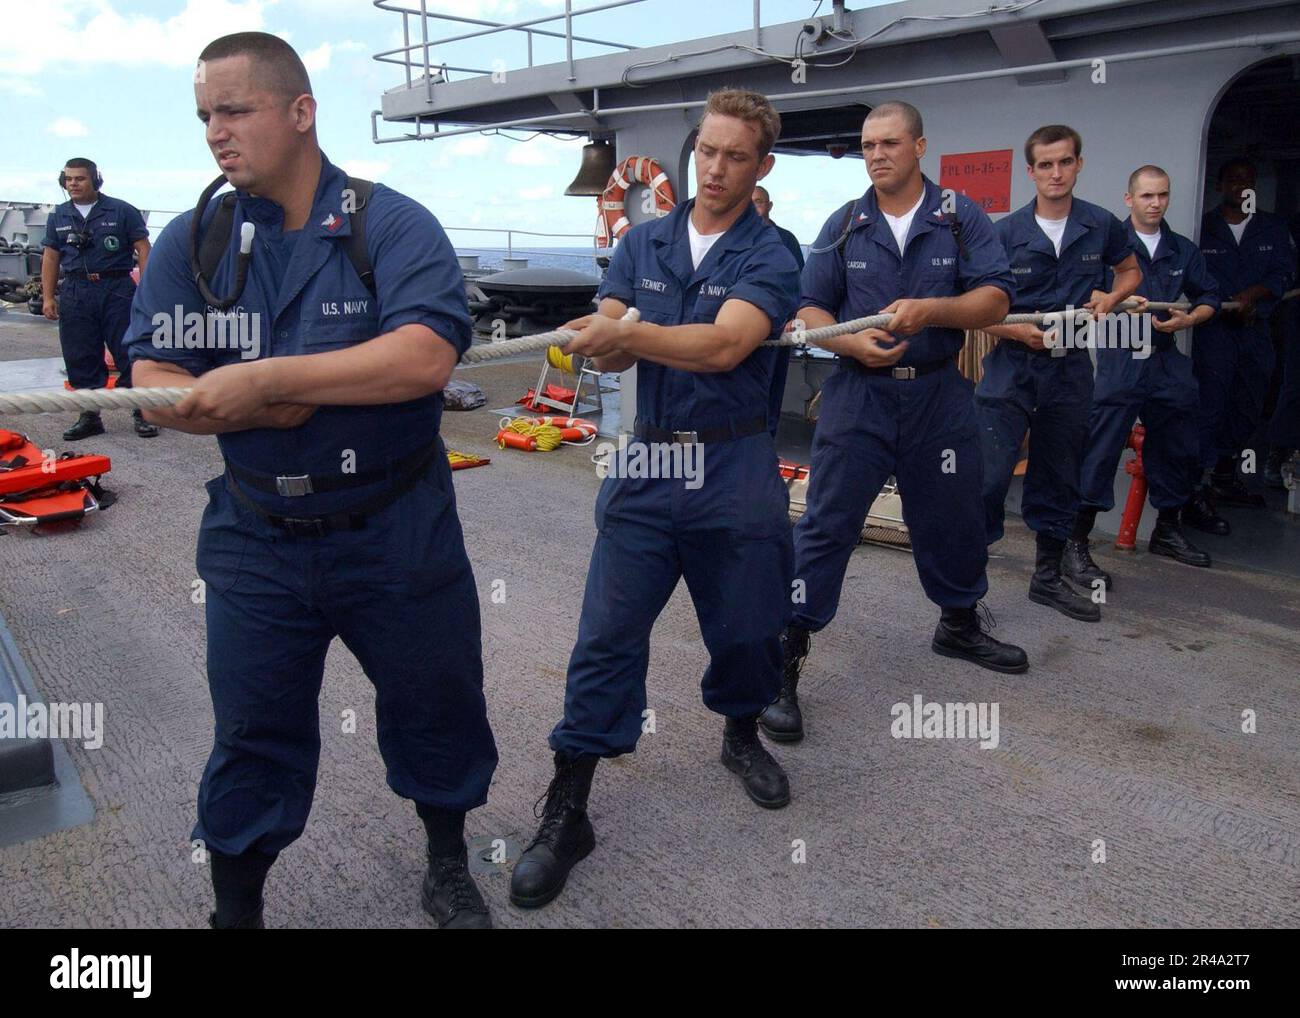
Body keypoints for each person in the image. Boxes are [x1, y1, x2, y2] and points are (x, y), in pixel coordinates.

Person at [124, 32, 497, 929]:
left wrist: (271, 380)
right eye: (205, 115)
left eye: (235, 110)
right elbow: (150, 377)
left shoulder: (389, 224)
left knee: (436, 703)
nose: (216, 132)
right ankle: (236, 909)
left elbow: (425, 355)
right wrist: (238, 407)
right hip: (257, 537)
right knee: (252, 730)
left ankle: (447, 861)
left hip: (395, 528)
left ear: (301, 112)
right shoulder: (194, 241)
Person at [509, 89, 801, 910]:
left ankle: (739, 733)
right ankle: (570, 805)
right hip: (650, 461)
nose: (716, 169)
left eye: (735, 156)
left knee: (748, 628)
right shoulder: (643, 242)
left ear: (761, 166)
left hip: (734, 463)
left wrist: (628, 334)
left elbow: (727, 344)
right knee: (605, 635)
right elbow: (612, 335)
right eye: (707, 151)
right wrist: (595, 343)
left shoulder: (772, 253)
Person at [759, 101, 1027, 744]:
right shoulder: (844, 223)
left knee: (954, 514)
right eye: (867, 145)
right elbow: (810, 307)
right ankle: (785, 657)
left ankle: (957, 623)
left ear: (920, 146)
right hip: (860, 395)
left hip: (939, 394)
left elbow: (995, 298)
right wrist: (847, 342)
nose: (877, 154)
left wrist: (932, 311)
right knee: (827, 523)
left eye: (890, 143)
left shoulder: (960, 217)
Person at [977, 124, 1142, 623]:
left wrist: (1112, 297)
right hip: (1010, 369)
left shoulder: (1101, 224)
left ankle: (1046, 579)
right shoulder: (1004, 233)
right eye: (1045, 164)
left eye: (1065, 162)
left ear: (1078, 164)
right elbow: (974, 309)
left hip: (1069, 370)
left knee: (1059, 474)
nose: (1056, 173)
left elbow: (1130, 270)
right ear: (1030, 171)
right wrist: (1016, 332)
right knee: (987, 477)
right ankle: (965, 591)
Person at [1064, 165, 1219, 587]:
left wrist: (1189, 319)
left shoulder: (1181, 249)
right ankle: (1075, 541)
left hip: (1165, 354)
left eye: (1162, 195)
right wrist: (1114, 298)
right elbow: (1080, 294)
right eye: (1147, 196)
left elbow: (1209, 296)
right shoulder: (1106, 246)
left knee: (1180, 441)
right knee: (1101, 447)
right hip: (1121, 348)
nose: (1155, 203)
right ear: (1129, 199)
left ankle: (1167, 529)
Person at [1191, 158, 1295, 513]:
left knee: (1248, 405)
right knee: (1210, 404)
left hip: (1255, 331)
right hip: (1214, 332)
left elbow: (1284, 272)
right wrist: (1223, 303)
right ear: (1219, 186)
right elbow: (1194, 277)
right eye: (1234, 179)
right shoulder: (1203, 228)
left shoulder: (1272, 227)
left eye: (1248, 180)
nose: (1241, 186)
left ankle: (1225, 476)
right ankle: (1196, 487)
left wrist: (1253, 295)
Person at [41, 157, 157, 439]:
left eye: (80, 178)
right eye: (68, 179)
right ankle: (89, 415)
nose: (73, 184)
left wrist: (147, 289)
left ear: (95, 180)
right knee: (80, 353)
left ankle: (141, 411)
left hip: (116, 289)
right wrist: (48, 297)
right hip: (76, 291)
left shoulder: (121, 210)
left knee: (129, 350)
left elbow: (143, 248)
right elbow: (51, 256)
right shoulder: (58, 216)